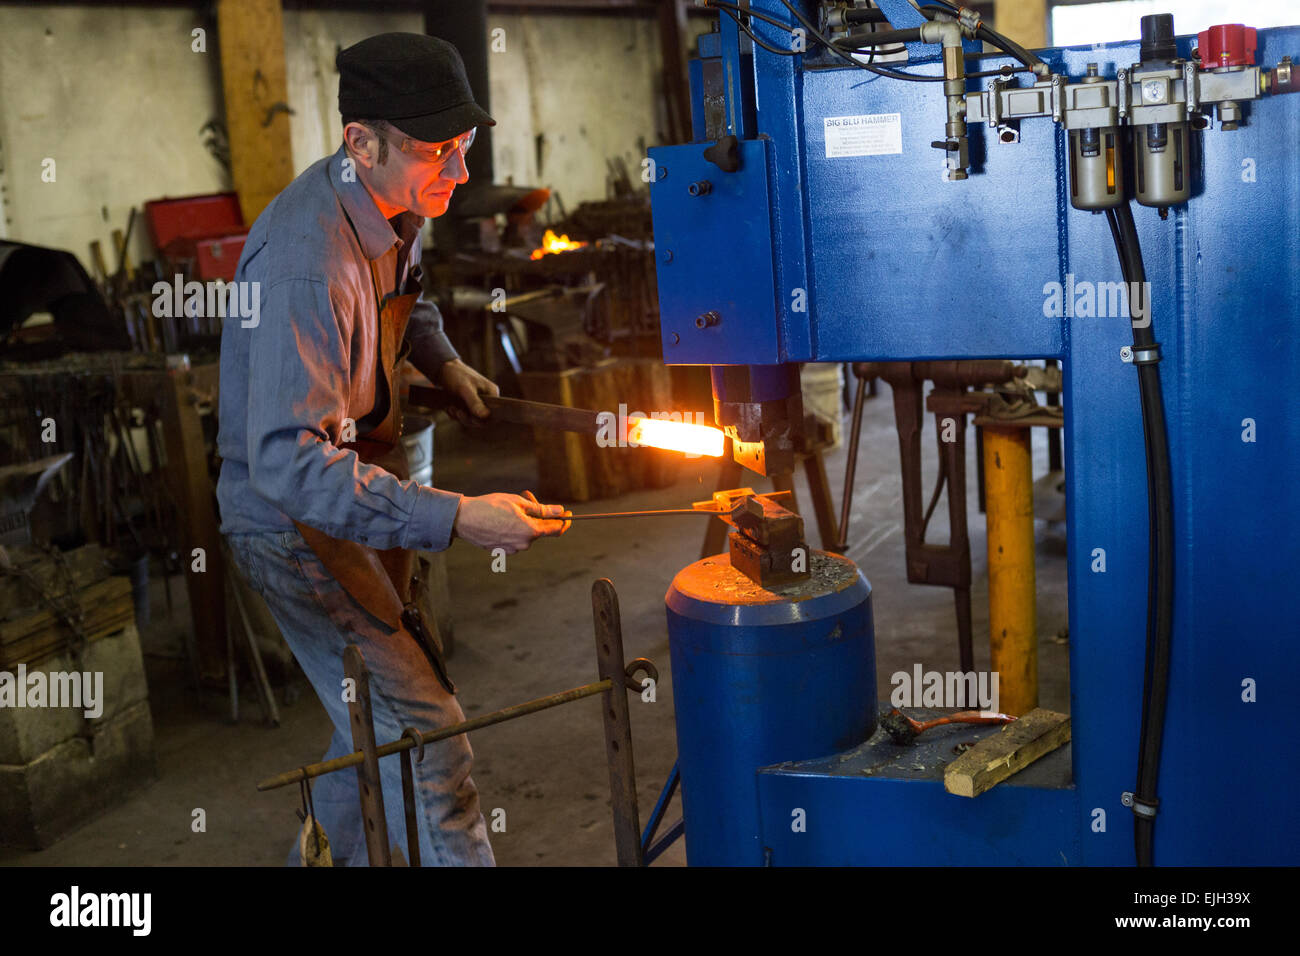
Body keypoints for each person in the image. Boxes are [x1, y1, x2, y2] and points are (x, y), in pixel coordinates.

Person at [216, 32, 568, 866]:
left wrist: (444, 361)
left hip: (350, 487)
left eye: (465, 146)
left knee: (373, 717)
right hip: (288, 520)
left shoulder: (394, 201)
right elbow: (292, 465)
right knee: (427, 729)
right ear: (359, 142)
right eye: (436, 151)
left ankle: (326, 853)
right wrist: (456, 517)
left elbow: (411, 295)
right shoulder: (306, 264)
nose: (459, 174)